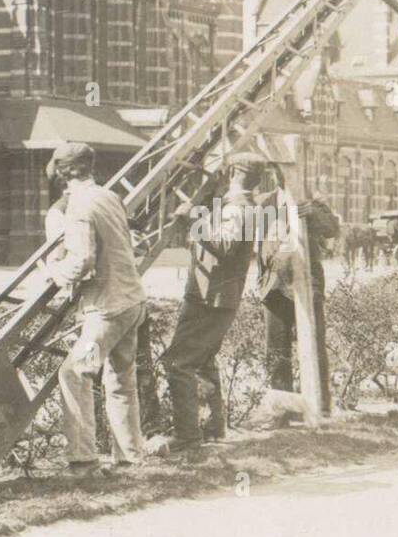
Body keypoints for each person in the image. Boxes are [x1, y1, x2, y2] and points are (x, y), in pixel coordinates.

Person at [45, 142, 148, 475]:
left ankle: (83, 461)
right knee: (121, 381)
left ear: (61, 173)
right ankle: (130, 459)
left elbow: (83, 260)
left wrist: (55, 271)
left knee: (74, 373)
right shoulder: (109, 196)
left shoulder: (78, 206)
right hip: (132, 301)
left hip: (106, 310)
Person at [158, 151, 265, 459]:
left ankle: (188, 437)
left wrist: (195, 219)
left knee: (177, 363)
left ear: (233, 174)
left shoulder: (238, 209)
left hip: (211, 298)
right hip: (215, 297)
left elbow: (225, 247)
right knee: (203, 362)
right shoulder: (240, 207)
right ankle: (213, 429)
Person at [256, 185, 340, 413]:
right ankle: (283, 410)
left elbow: (332, 229)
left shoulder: (312, 199)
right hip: (274, 285)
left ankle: (320, 406)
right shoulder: (265, 200)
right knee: (276, 350)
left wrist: (313, 212)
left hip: (308, 283)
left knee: (314, 344)